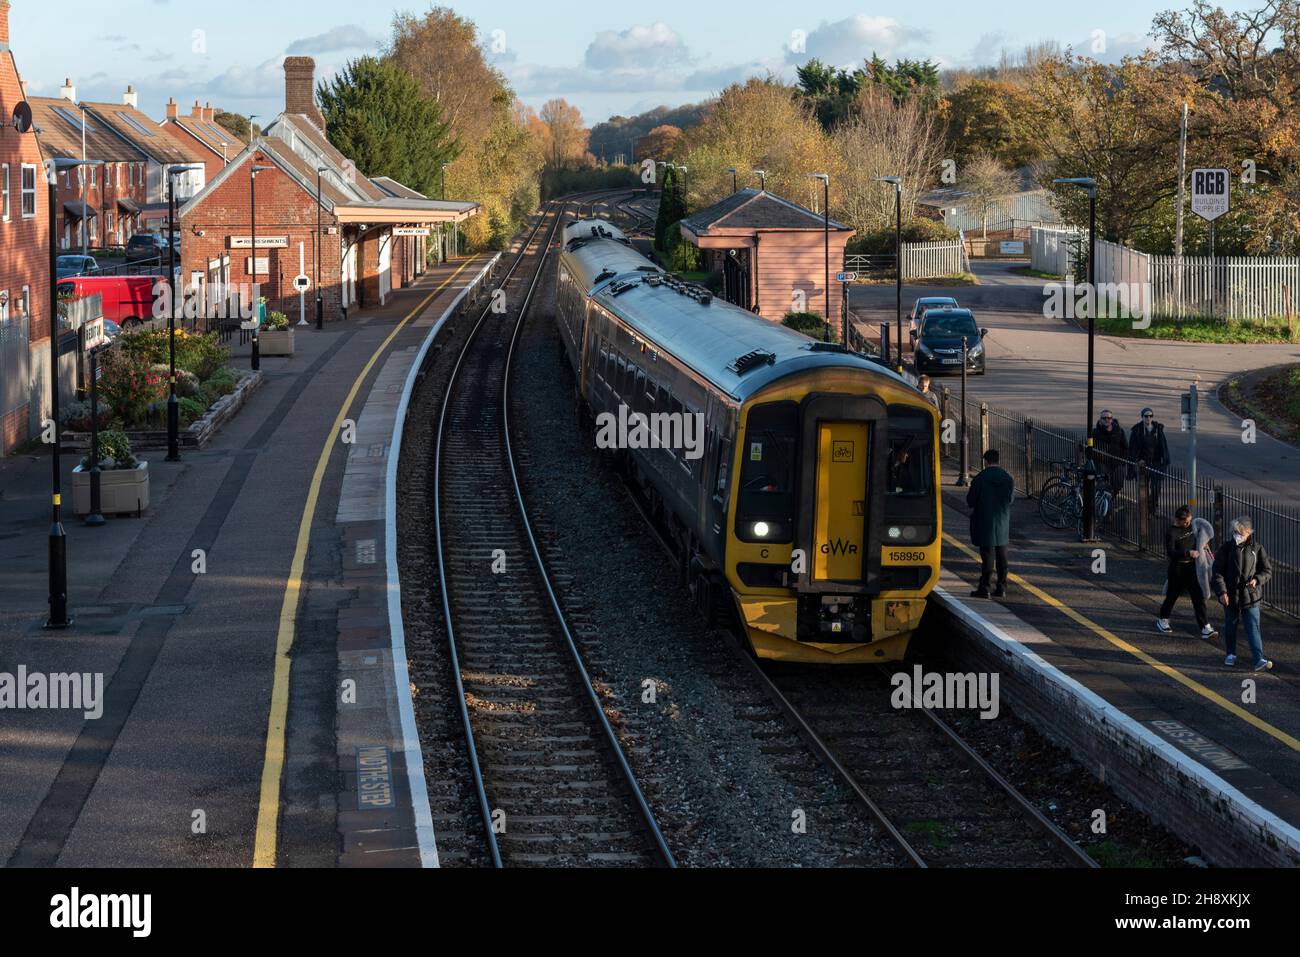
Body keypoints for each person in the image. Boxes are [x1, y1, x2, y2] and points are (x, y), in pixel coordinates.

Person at [1211, 515, 1274, 671]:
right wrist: (1222, 592)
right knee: (1230, 626)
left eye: (1240, 532)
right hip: (1231, 594)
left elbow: (1267, 570)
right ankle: (1231, 653)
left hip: (1250, 595)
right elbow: (1217, 572)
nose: (1237, 535)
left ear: (1248, 533)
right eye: (1235, 532)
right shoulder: (1226, 548)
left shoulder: (1257, 548)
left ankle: (1258, 658)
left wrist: (1257, 579)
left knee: (1253, 627)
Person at [1156, 506, 1218, 640]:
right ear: (1178, 520)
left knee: (1198, 597)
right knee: (1172, 596)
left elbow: (1198, 538)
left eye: (1189, 521)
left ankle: (1205, 626)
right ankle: (1163, 619)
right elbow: (1171, 552)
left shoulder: (1192, 527)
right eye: (1186, 522)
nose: (1188, 524)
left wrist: (1203, 545)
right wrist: (1187, 553)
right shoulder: (1171, 532)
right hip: (1177, 569)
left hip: (1191, 569)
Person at [966, 448, 1014, 598]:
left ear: (986, 462)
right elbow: (1010, 500)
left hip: (984, 521)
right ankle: (1002, 587)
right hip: (1002, 522)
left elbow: (970, 501)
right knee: (1002, 555)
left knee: (987, 556)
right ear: (998, 460)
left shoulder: (980, 478)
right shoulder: (1008, 478)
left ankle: (985, 587)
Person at [1128, 407, 1171, 516]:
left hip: (1156, 463)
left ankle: (1154, 506)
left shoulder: (1158, 429)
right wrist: (1136, 461)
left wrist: (1165, 460)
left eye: (1150, 416)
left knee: (1156, 487)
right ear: (1142, 417)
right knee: (1144, 488)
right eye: (1146, 416)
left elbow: (1164, 446)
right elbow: (1132, 448)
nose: (1148, 418)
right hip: (1143, 464)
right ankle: (1144, 509)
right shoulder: (1137, 430)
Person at [1092, 410, 1129, 500]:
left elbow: (1125, 447)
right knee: (1103, 485)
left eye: (1109, 418)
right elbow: (1089, 446)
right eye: (1104, 418)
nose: (1106, 420)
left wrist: (1122, 461)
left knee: (1118, 485)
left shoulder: (1119, 431)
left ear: (1112, 419)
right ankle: (1101, 504)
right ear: (1100, 420)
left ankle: (1110, 499)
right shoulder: (1095, 432)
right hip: (1101, 463)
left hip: (1116, 463)